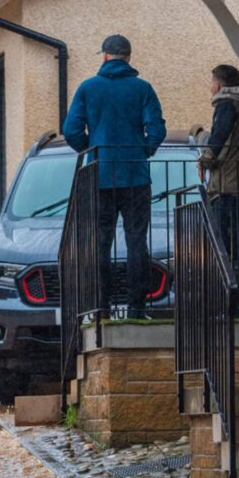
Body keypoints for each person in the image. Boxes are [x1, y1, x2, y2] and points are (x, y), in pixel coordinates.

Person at [62, 34, 167, 319]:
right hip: (135, 176)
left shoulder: (88, 88)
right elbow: (156, 129)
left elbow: (71, 130)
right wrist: (142, 151)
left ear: (105, 56)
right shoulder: (143, 89)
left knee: (100, 243)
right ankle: (136, 308)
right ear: (128, 57)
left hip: (100, 176)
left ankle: (101, 308)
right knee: (136, 242)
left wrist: (93, 151)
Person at [198, 64, 239, 316]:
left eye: (212, 82)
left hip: (227, 187)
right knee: (234, 244)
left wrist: (205, 158)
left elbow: (221, 136)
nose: (210, 87)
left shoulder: (227, 105)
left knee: (228, 246)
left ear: (220, 85)